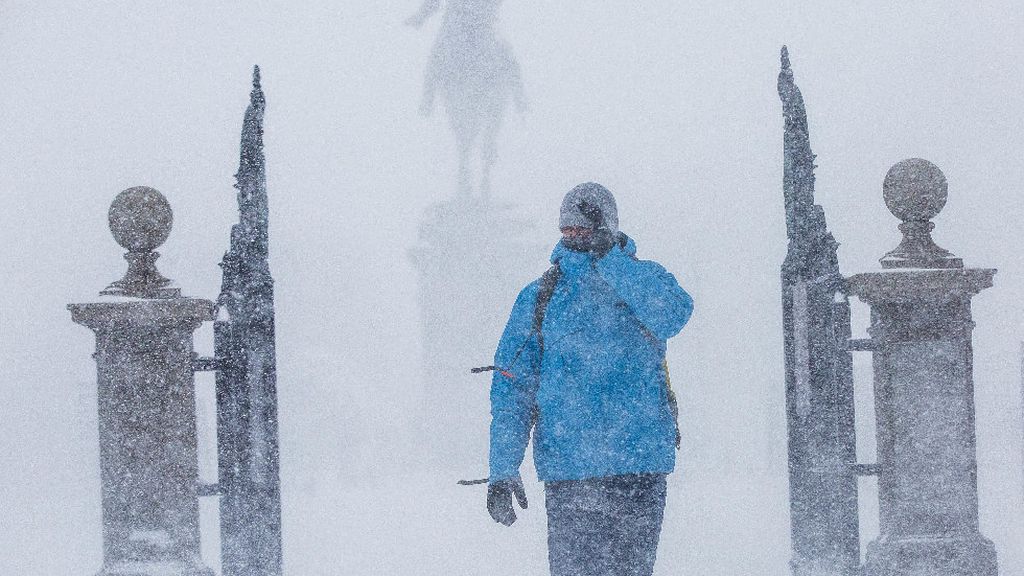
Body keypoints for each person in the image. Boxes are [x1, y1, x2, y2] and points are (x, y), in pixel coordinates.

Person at [486, 182, 694, 576]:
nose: (574, 238)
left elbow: (673, 315)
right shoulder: (541, 297)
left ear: (608, 229)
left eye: (585, 229)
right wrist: (502, 468)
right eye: (568, 230)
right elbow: (513, 391)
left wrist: (611, 262)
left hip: (638, 471)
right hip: (571, 475)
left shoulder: (642, 280)